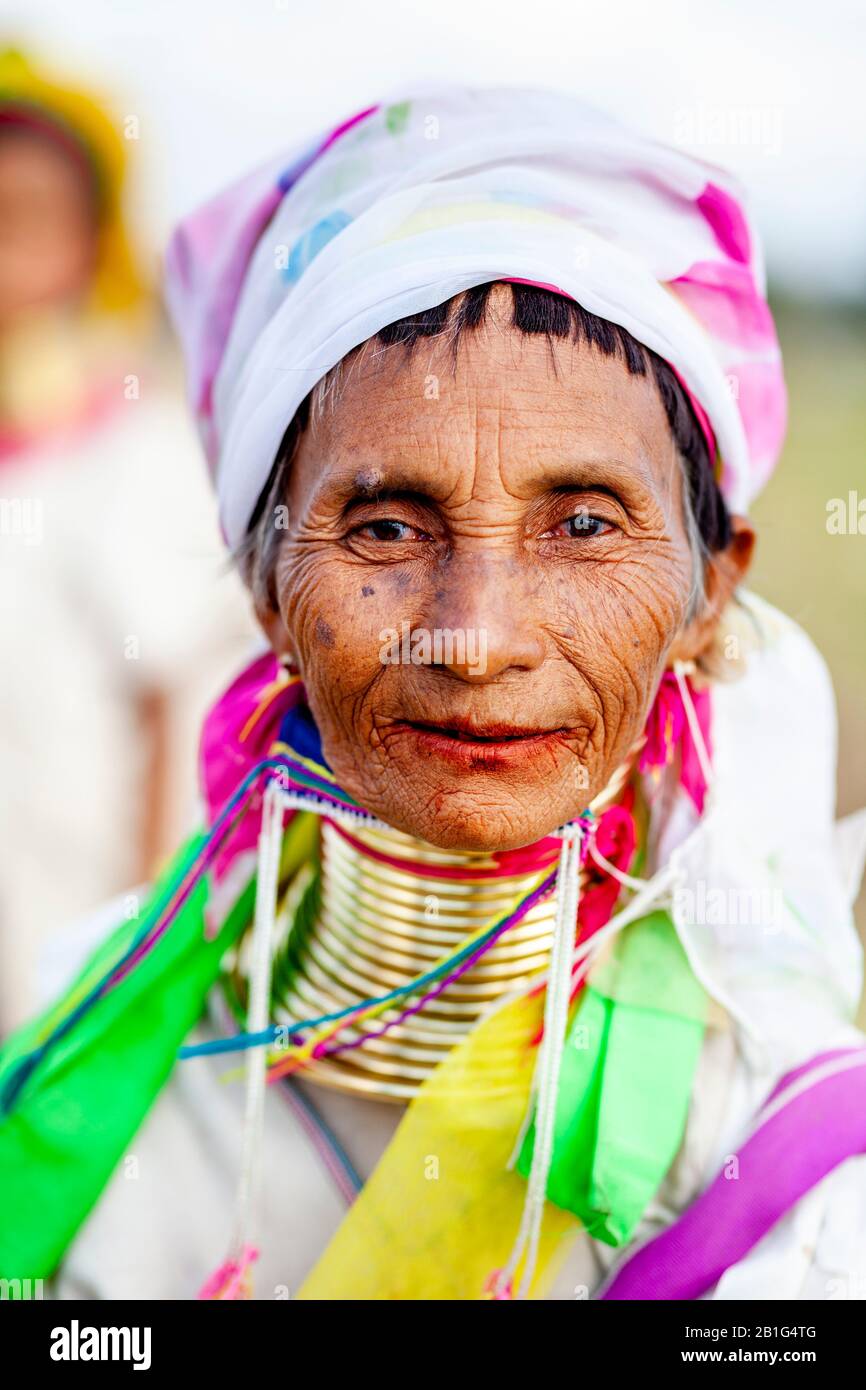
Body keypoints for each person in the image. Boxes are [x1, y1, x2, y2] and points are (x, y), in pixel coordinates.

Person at [1, 86, 865, 1301]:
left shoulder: (785, 1166)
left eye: (580, 523)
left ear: (709, 594)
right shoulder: (83, 1068)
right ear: (262, 589)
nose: (472, 638)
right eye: (388, 524)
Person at [0, 50, 253, 1030]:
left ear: (85, 250)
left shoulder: (133, 458)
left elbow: (174, 712)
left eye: (21, 223)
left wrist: (131, 963)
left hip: (61, 945)